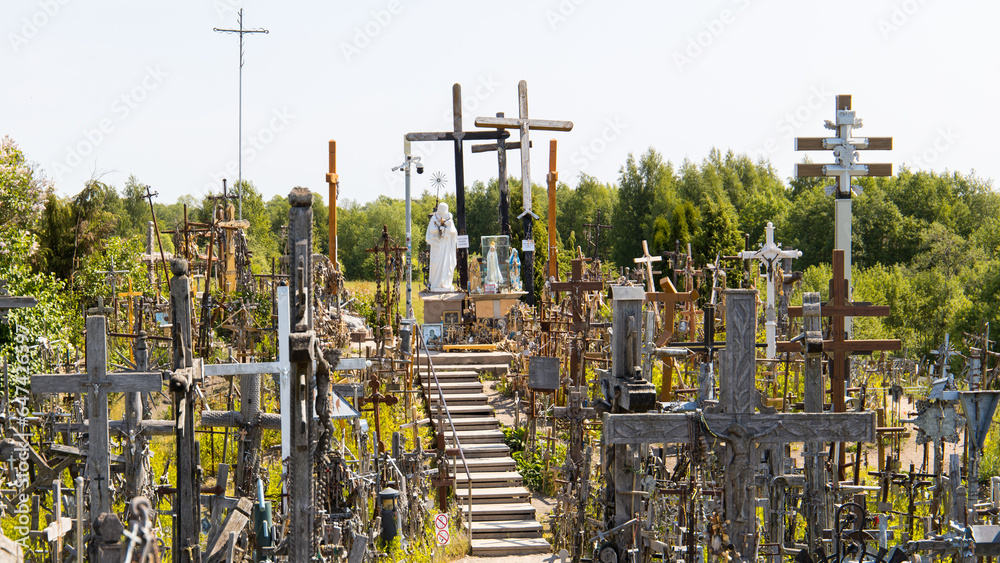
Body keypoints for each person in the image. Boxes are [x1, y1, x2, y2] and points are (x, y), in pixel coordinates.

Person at [425, 202, 458, 292]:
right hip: (436, 245)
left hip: (446, 244)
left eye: (444, 210)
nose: (442, 212)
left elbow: (454, 232)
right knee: (435, 263)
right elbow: (431, 230)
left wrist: (445, 229)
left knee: (446, 262)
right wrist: (438, 229)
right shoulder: (434, 218)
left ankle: (445, 282)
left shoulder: (449, 218)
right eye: (441, 209)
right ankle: (436, 283)